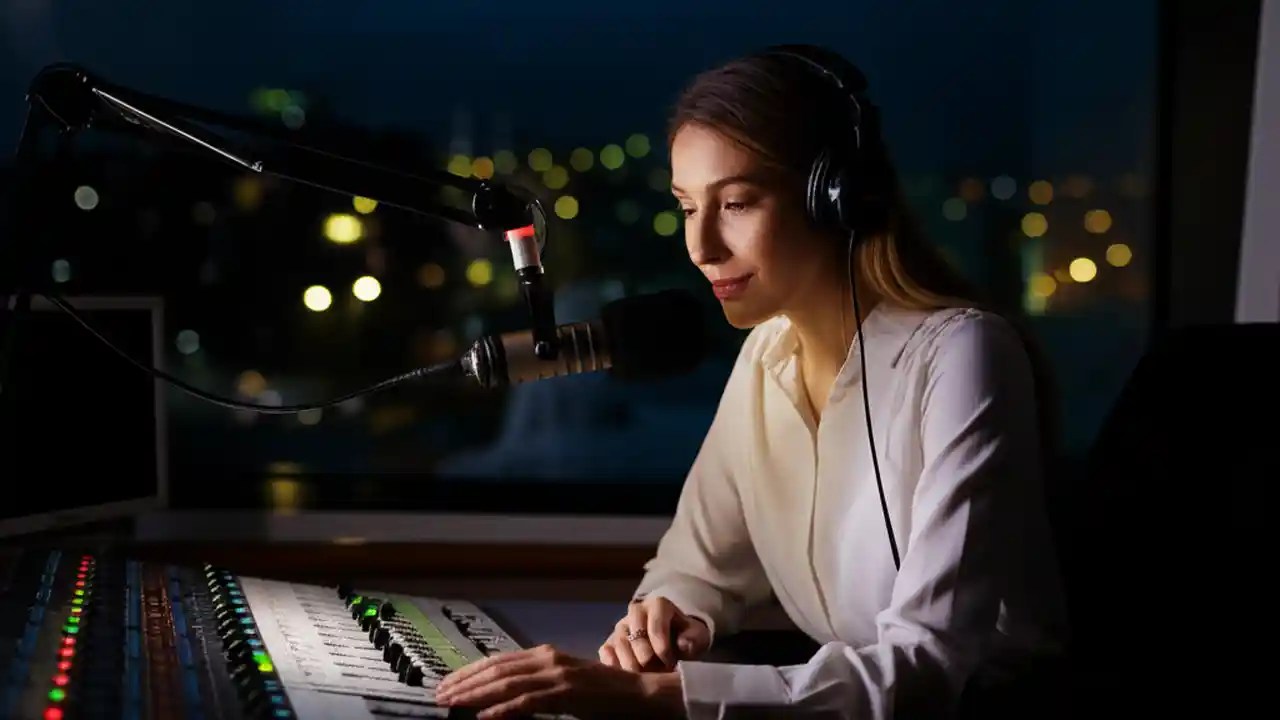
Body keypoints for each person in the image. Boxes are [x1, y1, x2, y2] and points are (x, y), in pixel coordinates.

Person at [434, 44, 1068, 719]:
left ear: (834, 200)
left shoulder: (963, 355)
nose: (701, 246)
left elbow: (925, 667)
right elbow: (697, 562)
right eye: (686, 208)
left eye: (735, 202)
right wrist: (672, 613)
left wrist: (657, 696)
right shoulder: (767, 354)